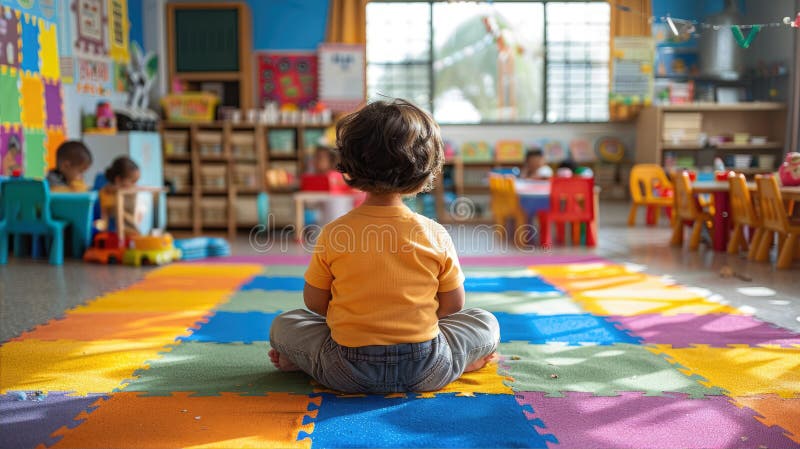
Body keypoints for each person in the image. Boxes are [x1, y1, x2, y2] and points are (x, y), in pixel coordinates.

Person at [269, 99, 500, 394]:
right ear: (424, 171)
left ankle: (306, 362)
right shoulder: (435, 233)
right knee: (485, 322)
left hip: (345, 369)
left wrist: (355, 318)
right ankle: (459, 361)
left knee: (285, 323)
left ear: (349, 164)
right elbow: (454, 305)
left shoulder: (334, 233)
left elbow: (314, 303)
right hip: (427, 367)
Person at [99, 157, 141, 235]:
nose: (135, 185)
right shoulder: (107, 193)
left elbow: (135, 216)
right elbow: (105, 217)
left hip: (130, 231)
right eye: (132, 181)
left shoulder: (131, 192)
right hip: (114, 232)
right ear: (118, 180)